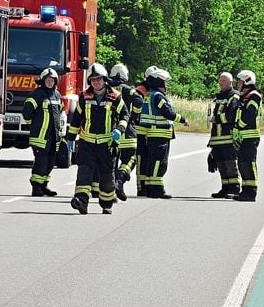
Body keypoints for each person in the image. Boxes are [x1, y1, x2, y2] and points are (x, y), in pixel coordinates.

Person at [66, 63, 129, 215]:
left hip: (107, 143)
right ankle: (81, 201)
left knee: (107, 176)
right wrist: (70, 138)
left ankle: (106, 203)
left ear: (104, 79)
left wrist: (119, 130)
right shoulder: (84, 96)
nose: (96, 82)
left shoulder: (115, 96)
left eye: (98, 79)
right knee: (84, 172)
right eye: (93, 80)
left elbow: (125, 115)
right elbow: (77, 118)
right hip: (87, 142)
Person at [136, 65, 189, 199]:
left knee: (151, 161)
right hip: (159, 134)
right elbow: (167, 113)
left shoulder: (148, 95)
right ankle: (156, 189)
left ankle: (147, 188)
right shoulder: (158, 96)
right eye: (165, 82)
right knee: (159, 162)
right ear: (159, 81)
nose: (166, 85)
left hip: (152, 133)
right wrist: (183, 119)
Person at [23, 67, 64, 196]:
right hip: (40, 136)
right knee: (41, 162)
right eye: (48, 80)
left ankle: (44, 185)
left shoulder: (57, 95)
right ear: (43, 80)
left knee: (51, 162)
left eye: (52, 80)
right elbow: (26, 113)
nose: (50, 82)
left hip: (53, 136)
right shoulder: (37, 94)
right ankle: (36, 187)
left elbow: (61, 112)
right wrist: (34, 126)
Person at [109, 63, 143, 201]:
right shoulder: (129, 90)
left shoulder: (106, 89)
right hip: (127, 131)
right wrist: (135, 116)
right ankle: (120, 180)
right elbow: (139, 100)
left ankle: (110, 192)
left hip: (111, 130)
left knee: (111, 162)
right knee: (130, 159)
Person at [208, 71, 241, 198]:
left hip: (228, 138)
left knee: (230, 164)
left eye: (224, 80)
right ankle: (225, 188)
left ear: (230, 82)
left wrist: (216, 119)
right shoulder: (219, 97)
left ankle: (234, 188)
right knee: (221, 165)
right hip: (217, 139)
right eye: (220, 80)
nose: (221, 82)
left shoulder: (234, 96)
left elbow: (231, 116)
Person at [232, 69, 262, 202]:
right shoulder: (244, 96)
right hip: (243, 137)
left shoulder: (254, 95)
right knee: (242, 165)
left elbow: (250, 114)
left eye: (239, 81)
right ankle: (245, 191)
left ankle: (251, 193)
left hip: (250, 136)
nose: (237, 84)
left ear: (247, 81)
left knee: (249, 164)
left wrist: (240, 125)